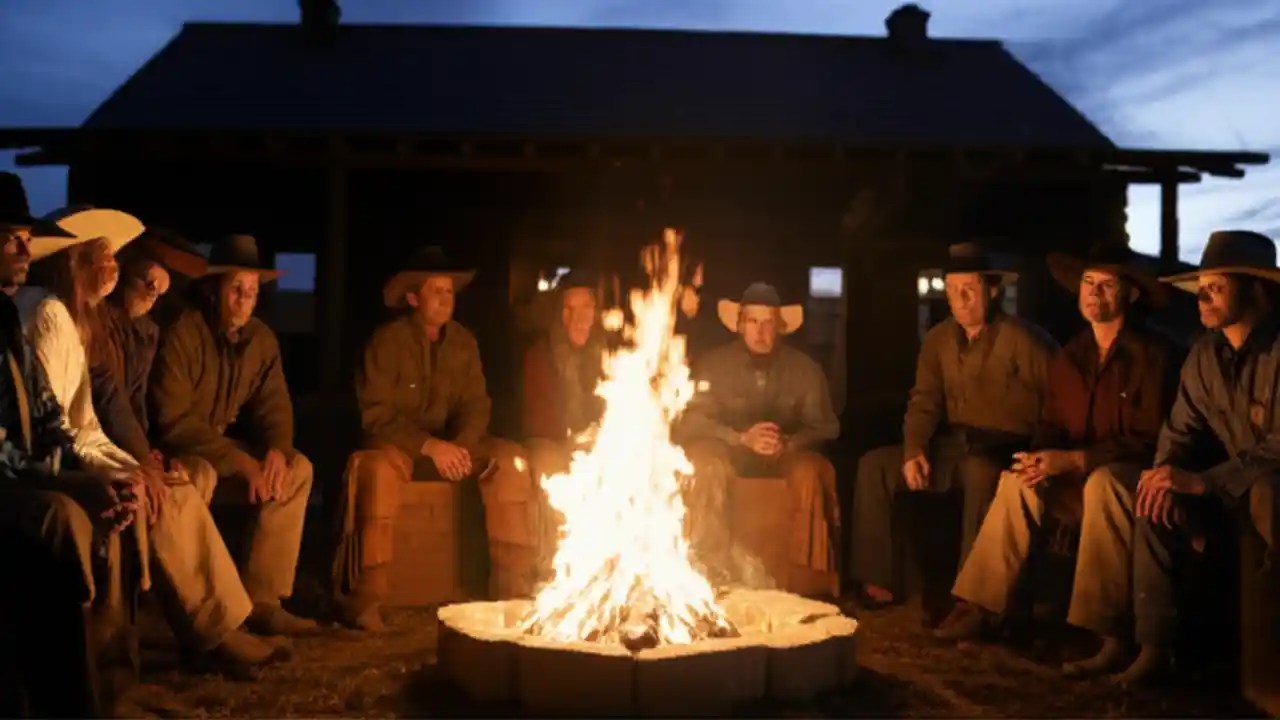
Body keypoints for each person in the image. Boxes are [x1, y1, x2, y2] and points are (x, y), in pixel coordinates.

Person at [17, 208, 281, 677]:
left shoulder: (85, 321)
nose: (112, 267)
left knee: (170, 487)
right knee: (162, 496)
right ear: (76, 261)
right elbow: (55, 426)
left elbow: (107, 411)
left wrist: (137, 462)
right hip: (49, 464)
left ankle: (221, 625)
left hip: (81, 452)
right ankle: (213, 633)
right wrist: (122, 469)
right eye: (103, 256)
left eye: (115, 257)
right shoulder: (50, 315)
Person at [934, 242, 1178, 648]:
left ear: (1130, 294)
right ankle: (984, 608)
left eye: (1106, 285)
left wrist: (1078, 459)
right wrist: (1039, 457)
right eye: (1087, 283)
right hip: (1072, 480)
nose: (1094, 293)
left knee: (1103, 482)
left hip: (1127, 481)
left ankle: (1105, 632)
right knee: (1017, 480)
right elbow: (1051, 424)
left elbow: (1149, 440)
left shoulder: (1152, 357)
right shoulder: (1072, 356)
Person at [1084, 229, 1278, 685]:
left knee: (1268, 494)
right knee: (1152, 498)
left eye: (1217, 287)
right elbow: (1179, 430)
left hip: (1266, 484)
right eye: (1201, 288)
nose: (1203, 297)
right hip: (1228, 487)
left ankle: (1267, 663)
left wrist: (1206, 482)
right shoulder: (1204, 355)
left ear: (1257, 292)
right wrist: (1163, 475)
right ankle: (1153, 647)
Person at [333, 247, 540, 631]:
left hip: (452, 445)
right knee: (375, 470)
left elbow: (477, 404)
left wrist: (461, 444)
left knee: (510, 461)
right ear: (413, 298)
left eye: (450, 292)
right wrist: (429, 447)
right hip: (399, 447)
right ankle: (366, 598)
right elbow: (375, 415)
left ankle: (514, 589)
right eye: (436, 292)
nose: (447, 300)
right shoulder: (387, 342)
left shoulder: (463, 342)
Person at [851, 243, 1057, 609]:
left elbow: (1057, 401)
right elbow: (924, 400)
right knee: (875, 466)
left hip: (1005, 448)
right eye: (952, 291)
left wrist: (1043, 453)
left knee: (979, 473)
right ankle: (880, 579)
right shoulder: (938, 340)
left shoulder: (1024, 341)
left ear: (993, 290)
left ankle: (971, 596)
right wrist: (915, 449)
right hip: (954, 446)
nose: (960, 301)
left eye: (969, 291)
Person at [149, 234, 319, 638]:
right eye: (236, 289)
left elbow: (274, 406)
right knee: (198, 479)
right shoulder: (184, 333)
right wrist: (240, 461)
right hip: (176, 451)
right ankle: (192, 610)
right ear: (214, 289)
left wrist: (277, 449)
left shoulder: (260, 340)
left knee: (297, 470)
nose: (245, 298)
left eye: (253, 290)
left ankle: (263, 600)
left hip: (221, 450)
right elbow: (173, 420)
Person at [677, 282, 841, 595]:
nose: (760, 331)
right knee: (704, 463)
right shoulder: (713, 365)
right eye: (753, 321)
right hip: (727, 451)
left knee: (810, 472)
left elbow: (825, 426)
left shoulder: (805, 370)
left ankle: (807, 582)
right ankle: (707, 568)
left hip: (785, 455)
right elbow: (691, 421)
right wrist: (739, 438)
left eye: (768, 323)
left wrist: (788, 443)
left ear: (780, 327)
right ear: (739, 325)